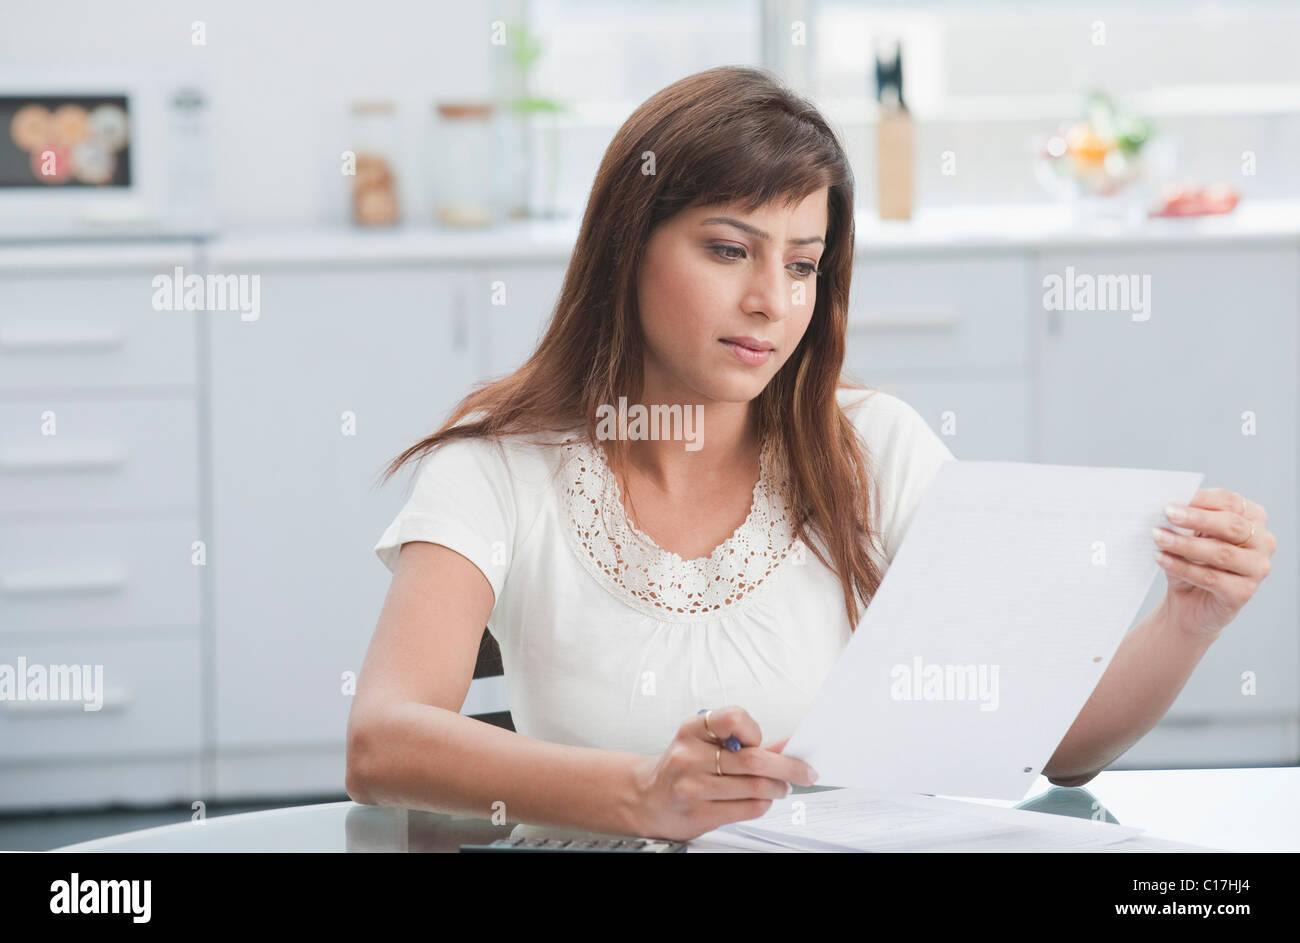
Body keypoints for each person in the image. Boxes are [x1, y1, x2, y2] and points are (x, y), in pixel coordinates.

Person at [344, 65, 1277, 842]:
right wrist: (643, 792)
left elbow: (1053, 744)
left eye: (802, 264)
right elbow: (382, 743)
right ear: (625, 248)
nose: (771, 301)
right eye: (727, 249)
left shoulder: (875, 447)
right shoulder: (495, 470)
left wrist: (1186, 621)